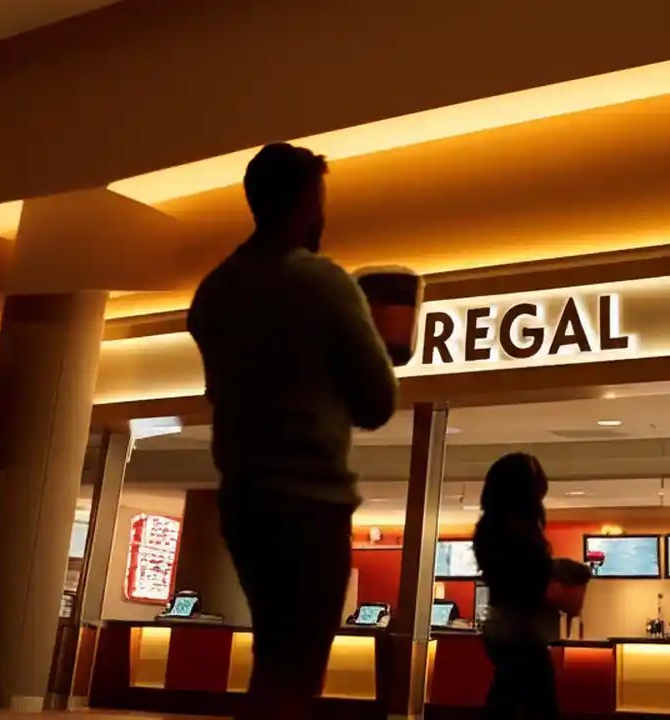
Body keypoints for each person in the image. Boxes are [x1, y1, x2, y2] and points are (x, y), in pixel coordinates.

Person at [187, 143, 398, 719]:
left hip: (243, 498)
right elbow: (377, 401)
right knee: (297, 669)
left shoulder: (214, 291)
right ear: (308, 202)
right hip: (309, 501)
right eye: (320, 200)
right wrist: (378, 340)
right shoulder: (323, 283)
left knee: (274, 656)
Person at [471, 453, 560, 719]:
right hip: (522, 628)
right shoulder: (519, 531)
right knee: (537, 702)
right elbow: (529, 579)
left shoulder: (490, 527)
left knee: (507, 697)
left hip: (501, 626)